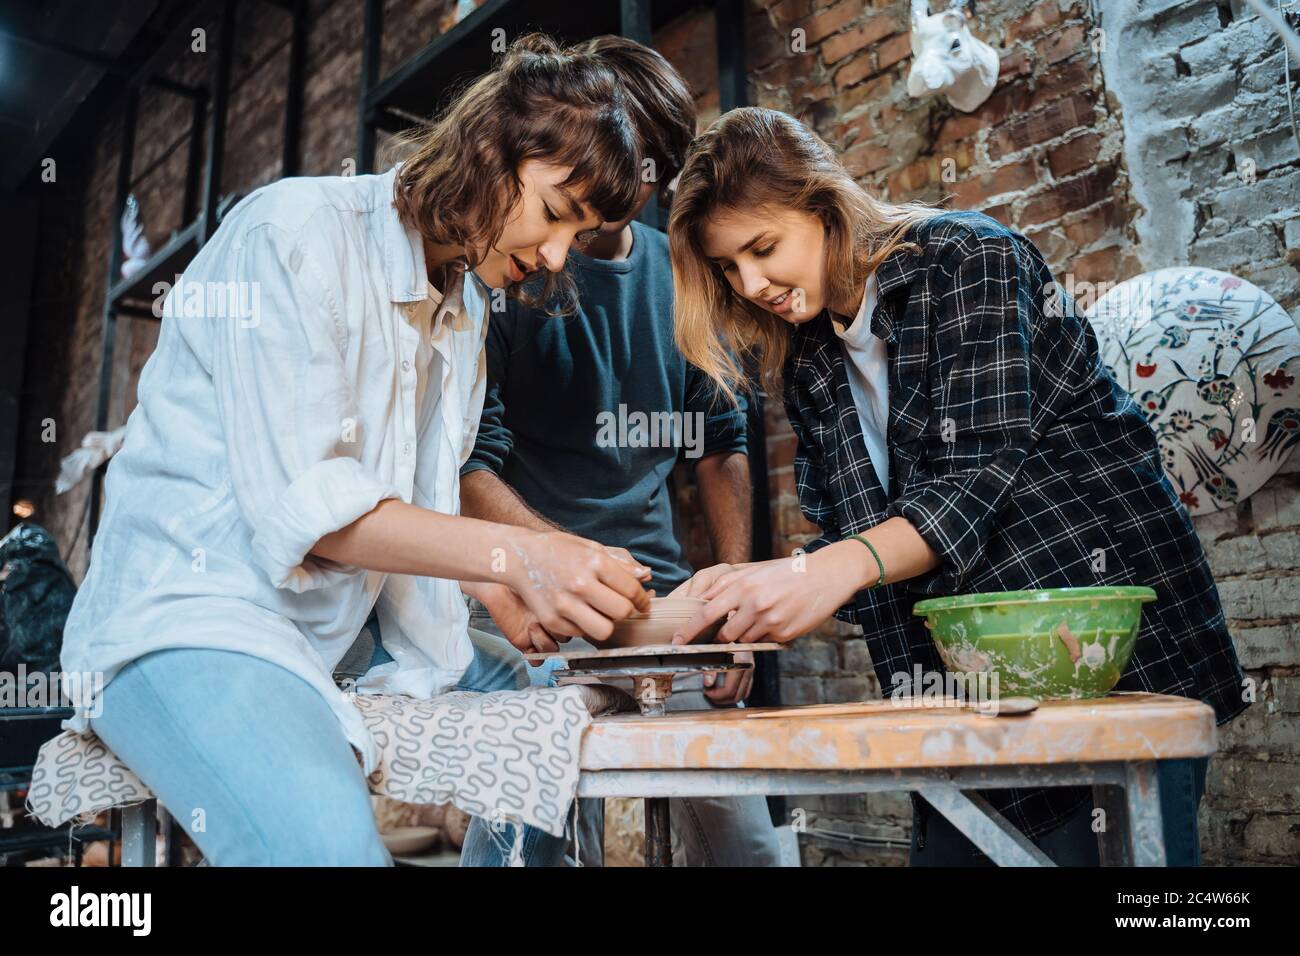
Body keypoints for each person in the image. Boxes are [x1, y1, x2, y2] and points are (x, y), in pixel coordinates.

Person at [59, 35, 654, 866]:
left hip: (330, 631)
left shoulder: (465, 305)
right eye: (555, 213)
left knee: (546, 721)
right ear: (487, 151)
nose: (556, 257)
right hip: (193, 615)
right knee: (332, 855)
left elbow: (414, 500)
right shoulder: (294, 233)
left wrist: (510, 587)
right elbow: (315, 510)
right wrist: (517, 555)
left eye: (578, 234)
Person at [665, 106, 1247, 866]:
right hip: (963, 687)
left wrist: (816, 574)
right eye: (727, 269)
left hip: (1104, 651)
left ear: (823, 201)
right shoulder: (808, 357)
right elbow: (859, 538)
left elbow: (969, 483)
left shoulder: (972, 261)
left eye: (762, 248)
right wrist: (745, 606)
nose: (750, 284)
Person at [456, 37, 781, 867]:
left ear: (654, 171)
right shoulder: (510, 272)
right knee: (537, 828)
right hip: (521, 604)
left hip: (653, 604)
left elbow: (721, 440)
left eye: (628, 162)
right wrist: (551, 569)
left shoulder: (681, 281)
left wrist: (733, 611)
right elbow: (469, 461)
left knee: (741, 837)